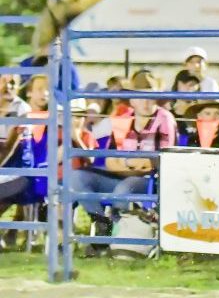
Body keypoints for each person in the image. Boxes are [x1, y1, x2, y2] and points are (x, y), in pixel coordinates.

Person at [68, 73, 176, 247]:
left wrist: (126, 162)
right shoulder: (123, 120)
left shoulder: (165, 119)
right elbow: (110, 160)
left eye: (150, 97)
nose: (145, 102)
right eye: (140, 97)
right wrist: (133, 163)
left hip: (152, 180)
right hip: (124, 176)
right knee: (76, 178)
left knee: (123, 189)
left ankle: (120, 239)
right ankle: (103, 224)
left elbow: (159, 161)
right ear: (132, 100)